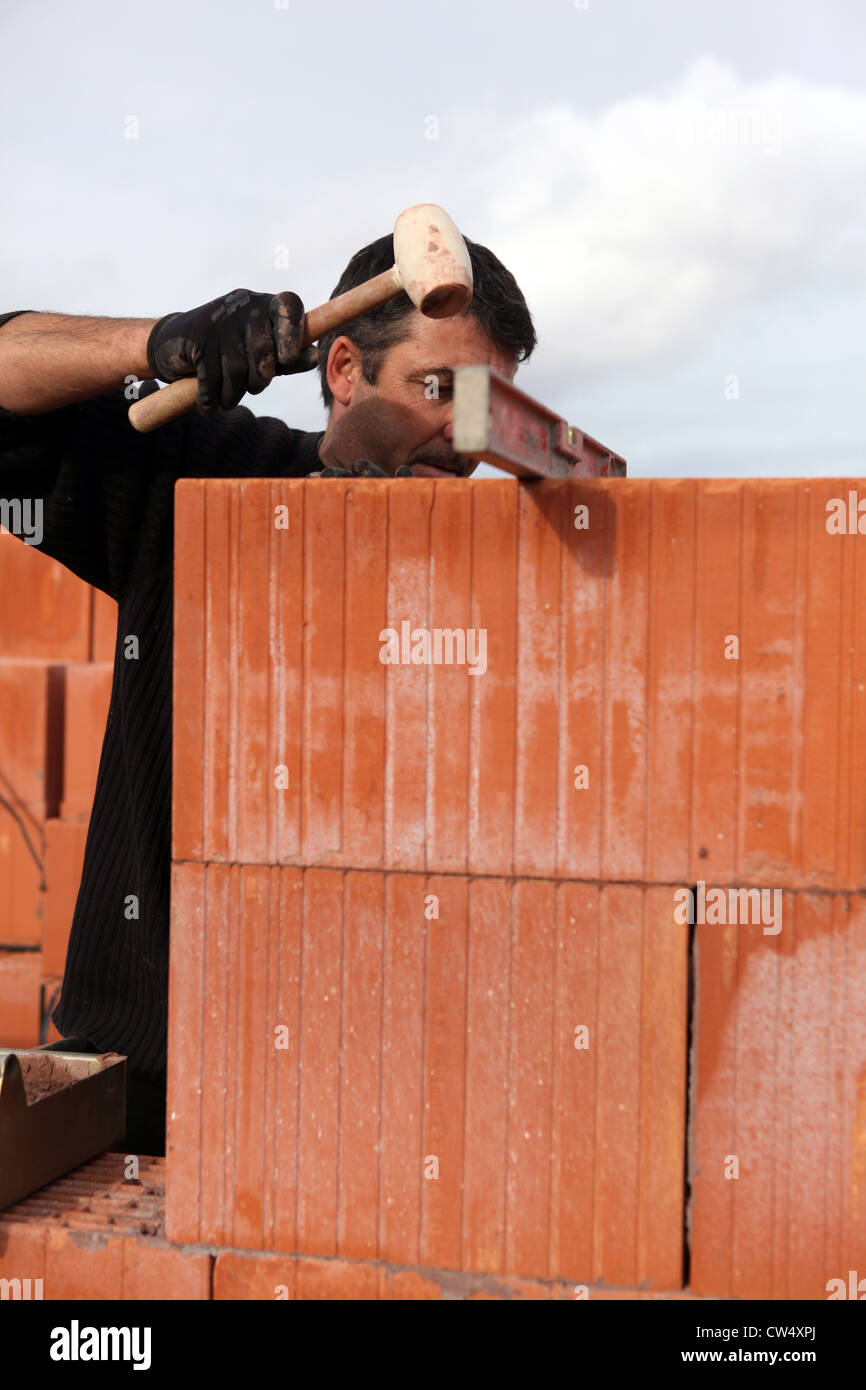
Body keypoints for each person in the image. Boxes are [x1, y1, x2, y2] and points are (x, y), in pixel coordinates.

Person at [0, 232, 536, 1155]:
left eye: (490, 404)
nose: (465, 434)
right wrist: (159, 342)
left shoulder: (505, 569)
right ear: (341, 368)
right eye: (438, 389)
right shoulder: (202, 475)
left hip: (369, 1110)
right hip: (139, 1085)